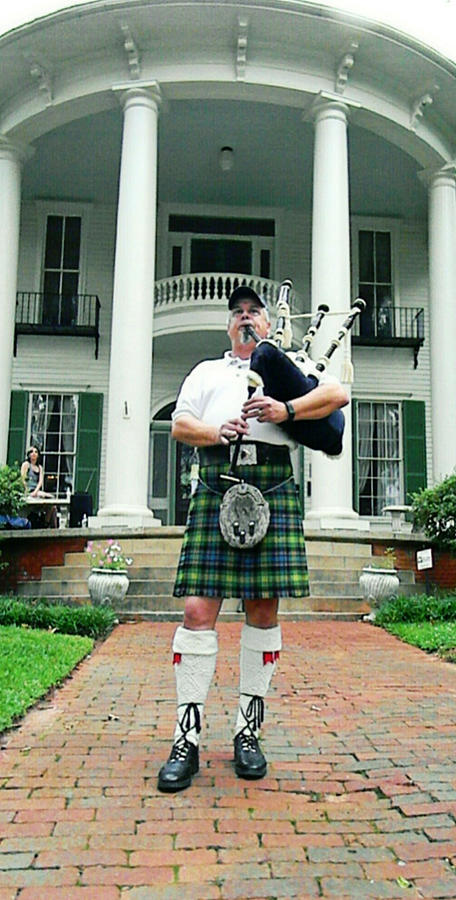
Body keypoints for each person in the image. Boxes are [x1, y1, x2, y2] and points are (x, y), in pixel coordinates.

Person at [157, 285, 349, 793]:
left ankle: (248, 732)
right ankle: (186, 739)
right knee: (197, 611)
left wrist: (286, 411)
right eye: (237, 313)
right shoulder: (206, 371)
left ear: (266, 325)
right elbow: (179, 424)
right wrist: (215, 431)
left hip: (273, 483)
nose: (245, 318)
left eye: (253, 312)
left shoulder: (292, 366)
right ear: (228, 326)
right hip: (217, 482)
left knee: (263, 610)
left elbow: (337, 397)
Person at [21, 446, 58, 528]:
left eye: (36, 452)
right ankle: (46, 524)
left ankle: (48, 524)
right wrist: (27, 490)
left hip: (36, 491)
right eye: (32, 452)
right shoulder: (26, 465)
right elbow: (23, 479)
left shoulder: (40, 467)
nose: (34, 454)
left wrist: (36, 491)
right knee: (51, 501)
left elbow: (40, 481)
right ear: (29, 454)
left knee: (53, 505)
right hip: (28, 490)